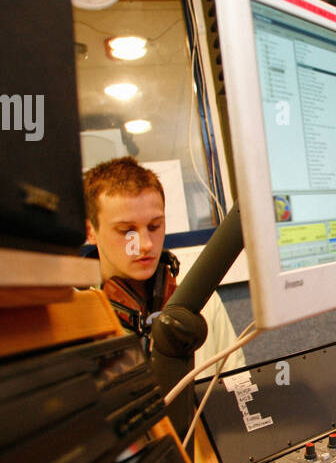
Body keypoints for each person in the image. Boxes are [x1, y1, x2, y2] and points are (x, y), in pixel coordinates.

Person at [83, 156, 244, 367]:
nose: (145, 245)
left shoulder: (201, 296)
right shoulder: (73, 316)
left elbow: (237, 384)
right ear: (90, 232)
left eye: (154, 226)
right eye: (126, 231)